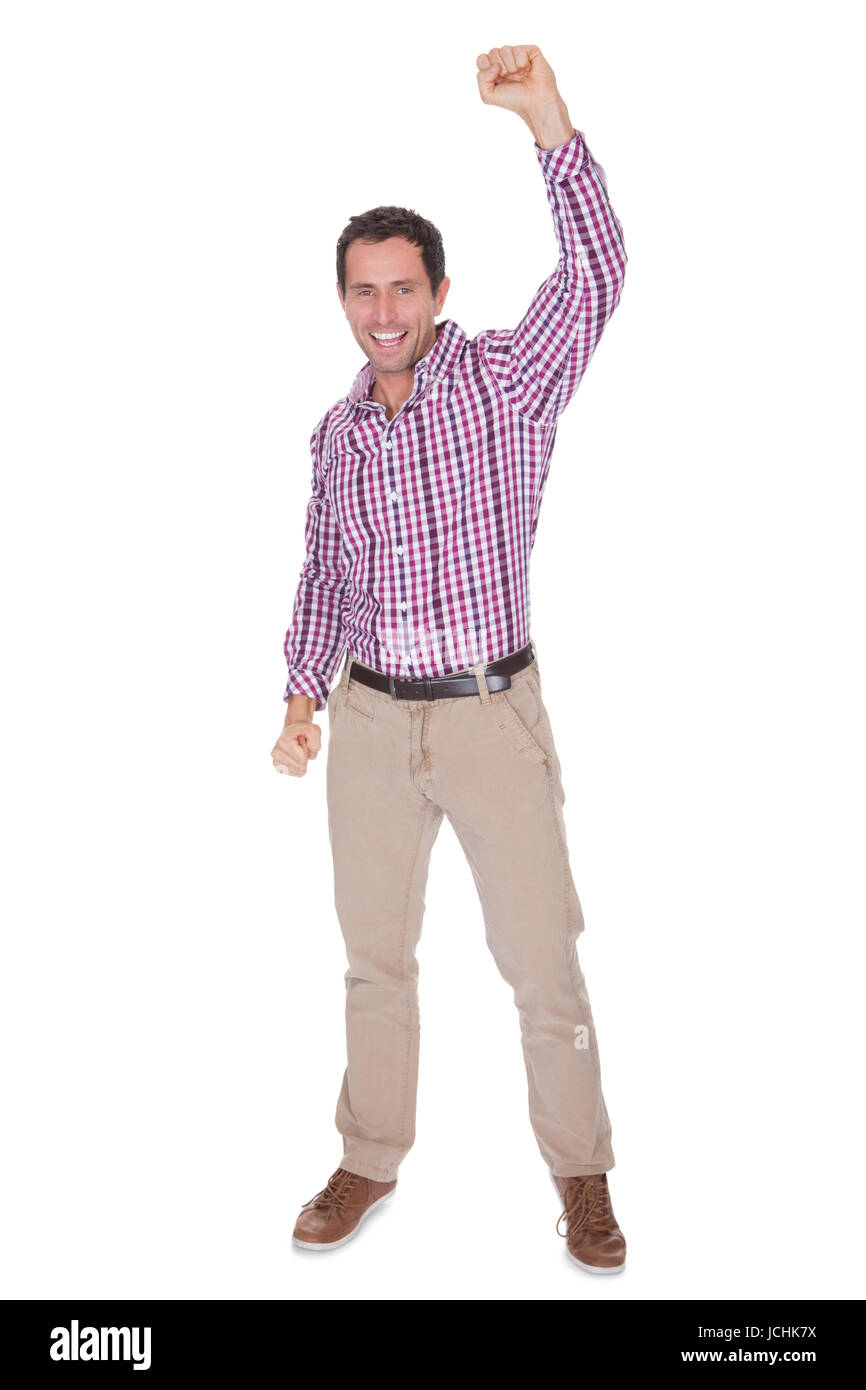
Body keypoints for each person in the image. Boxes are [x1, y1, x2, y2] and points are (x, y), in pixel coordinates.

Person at [272, 44, 628, 1273]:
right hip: (370, 727)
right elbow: (325, 569)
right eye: (362, 291)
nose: (383, 312)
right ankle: (368, 1156)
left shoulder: (498, 386)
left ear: (435, 290)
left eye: (402, 289)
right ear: (344, 300)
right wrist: (301, 693)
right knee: (374, 958)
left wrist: (548, 125)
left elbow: (594, 280)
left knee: (542, 966)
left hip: (486, 713)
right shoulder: (335, 436)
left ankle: (580, 1177)